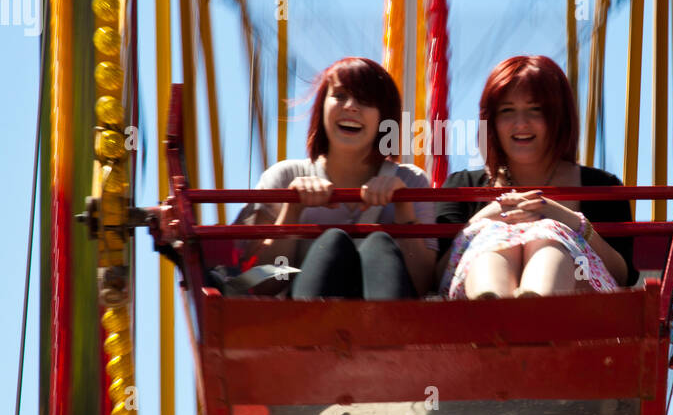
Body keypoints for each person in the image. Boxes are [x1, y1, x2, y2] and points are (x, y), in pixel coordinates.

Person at [436, 55, 640, 299]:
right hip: (476, 306)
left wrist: (565, 220)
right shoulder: (462, 187)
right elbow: (435, 276)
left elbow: (623, 274)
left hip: (577, 310)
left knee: (550, 242)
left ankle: (532, 307)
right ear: (491, 122)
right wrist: (484, 219)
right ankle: (493, 306)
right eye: (507, 111)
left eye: (535, 110)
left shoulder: (601, 186)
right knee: (491, 248)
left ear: (558, 118)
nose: (521, 124)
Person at [236, 57, 437, 298]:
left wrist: (404, 207)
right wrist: (291, 212)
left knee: (378, 244)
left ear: (384, 118)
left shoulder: (411, 182)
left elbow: (423, 282)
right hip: (308, 322)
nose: (351, 106)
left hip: (382, 320)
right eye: (340, 96)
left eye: (365, 100)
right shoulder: (285, 177)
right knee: (332, 242)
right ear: (322, 106)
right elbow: (262, 282)